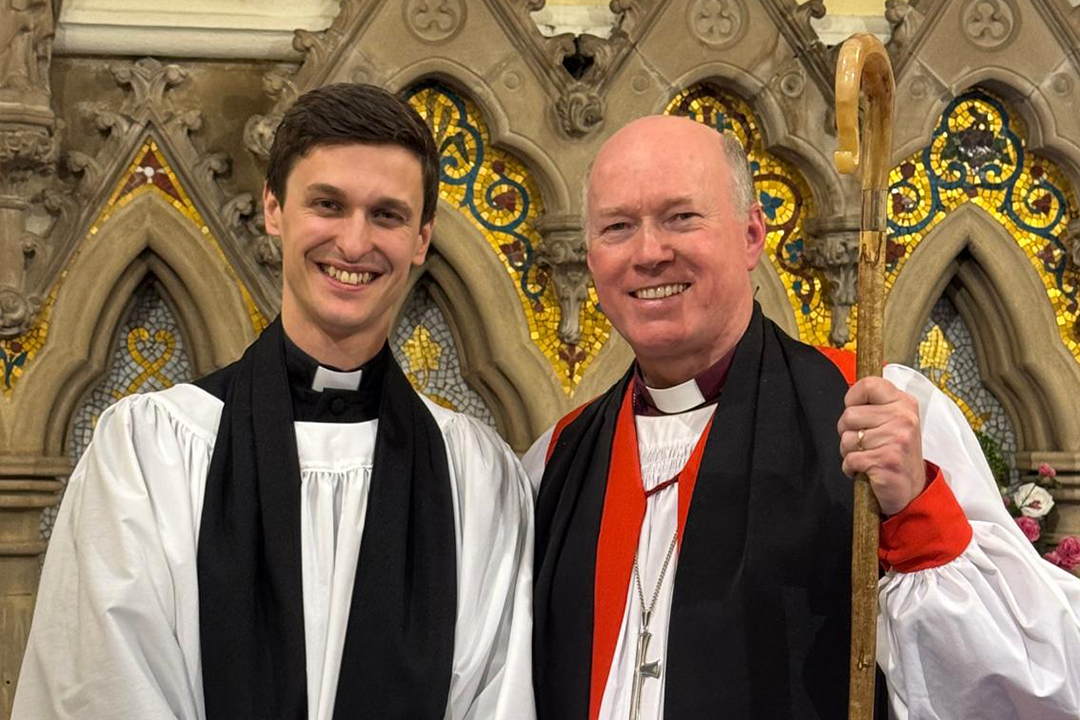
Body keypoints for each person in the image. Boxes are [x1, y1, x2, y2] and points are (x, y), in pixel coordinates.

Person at [525, 114, 1080, 719]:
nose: (650, 252)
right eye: (617, 227)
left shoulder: (872, 408)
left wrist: (917, 509)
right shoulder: (556, 459)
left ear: (751, 234)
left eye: (682, 217)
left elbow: (1031, 684)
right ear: (590, 258)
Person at [14, 83, 535, 720]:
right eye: (327, 204)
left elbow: (499, 697)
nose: (353, 242)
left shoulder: (476, 476)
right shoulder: (152, 454)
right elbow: (100, 684)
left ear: (422, 238)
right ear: (273, 210)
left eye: (388, 215)